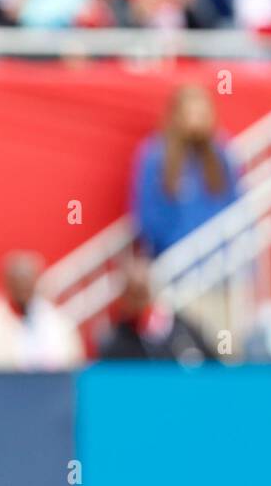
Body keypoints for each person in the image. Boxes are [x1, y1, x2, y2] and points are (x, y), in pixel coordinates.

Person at [131, 84, 242, 256]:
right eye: (191, 114)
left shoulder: (219, 153)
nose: (197, 121)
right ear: (177, 116)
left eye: (202, 114)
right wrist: (171, 244)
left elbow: (234, 201)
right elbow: (147, 214)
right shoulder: (156, 155)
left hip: (218, 260)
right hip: (175, 261)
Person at [0, 251, 86, 371]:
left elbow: (73, 365)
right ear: (4, 281)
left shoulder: (59, 324)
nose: (22, 287)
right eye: (17, 280)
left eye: (28, 280)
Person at [97, 258, 214, 364]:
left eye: (142, 291)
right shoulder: (117, 342)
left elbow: (212, 363)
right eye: (133, 293)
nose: (138, 300)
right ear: (124, 297)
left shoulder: (180, 328)